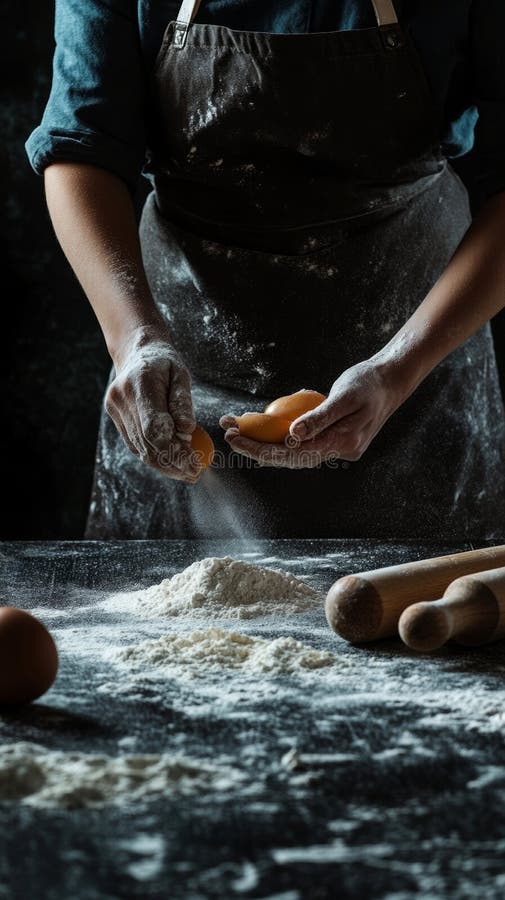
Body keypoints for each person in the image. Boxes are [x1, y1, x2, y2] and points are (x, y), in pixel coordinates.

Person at [26, 0, 505, 540]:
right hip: (182, 377)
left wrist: (398, 371)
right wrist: (133, 339)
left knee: (422, 593)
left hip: (417, 368)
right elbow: (81, 148)